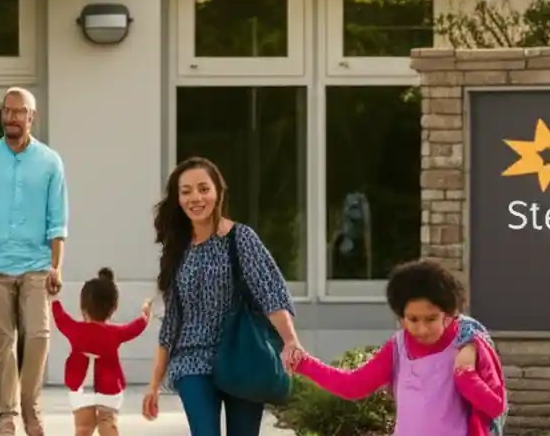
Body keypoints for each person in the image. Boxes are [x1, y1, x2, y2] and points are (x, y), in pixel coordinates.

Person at [143, 156, 302, 436]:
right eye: (186, 191)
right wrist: (154, 384)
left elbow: (271, 292)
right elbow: (172, 322)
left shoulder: (240, 238)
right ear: (177, 199)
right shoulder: (176, 248)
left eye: (204, 189)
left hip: (242, 354)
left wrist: (290, 341)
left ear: (218, 192)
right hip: (191, 358)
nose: (196, 197)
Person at [287, 259, 508, 436]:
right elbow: (353, 385)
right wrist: (304, 364)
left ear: (448, 315)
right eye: (412, 319)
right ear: (400, 317)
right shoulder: (398, 347)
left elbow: (495, 407)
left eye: (431, 319)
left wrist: (466, 375)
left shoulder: (468, 344)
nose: (421, 329)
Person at [0, 86, 69, 436]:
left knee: (38, 335)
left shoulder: (51, 161)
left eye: (19, 111)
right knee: (3, 342)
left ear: (31, 117)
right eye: (7, 110)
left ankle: (31, 408)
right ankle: (7, 417)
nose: (12, 117)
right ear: (1, 114)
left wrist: (58, 265)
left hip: (38, 264)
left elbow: (58, 222)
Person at [51, 268, 152, 436]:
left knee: (83, 429)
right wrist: (144, 315)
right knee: (108, 424)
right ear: (113, 308)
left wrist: (54, 296)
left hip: (81, 389)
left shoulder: (76, 330)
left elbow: (60, 318)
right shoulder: (114, 334)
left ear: (82, 306)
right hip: (109, 389)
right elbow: (134, 329)